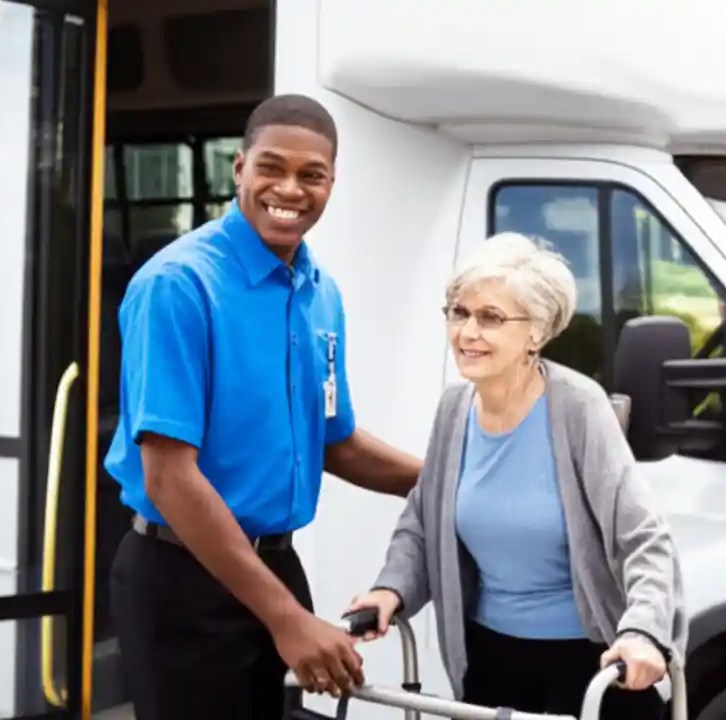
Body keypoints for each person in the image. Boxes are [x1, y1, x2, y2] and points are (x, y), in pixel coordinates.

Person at [105, 93, 423, 720]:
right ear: (239, 169)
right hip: (181, 580)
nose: (290, 188)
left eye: (312, 175)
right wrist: (288, 620)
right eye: (271, 167)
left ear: (332, 183)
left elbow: (335, 442)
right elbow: (169, 479)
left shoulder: (319, 291)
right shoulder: (178, 285)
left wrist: (450, 482)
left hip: (274, 562)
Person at [347, 232, 687, 719]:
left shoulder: (579, 407)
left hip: (588, 663)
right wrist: (391, 588)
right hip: (490, 659)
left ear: (537, 332)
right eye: (459, 313)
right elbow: (423, 522)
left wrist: (644, 631)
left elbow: (644, 539)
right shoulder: (454, 410)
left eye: (490, 318)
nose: (467, 332)